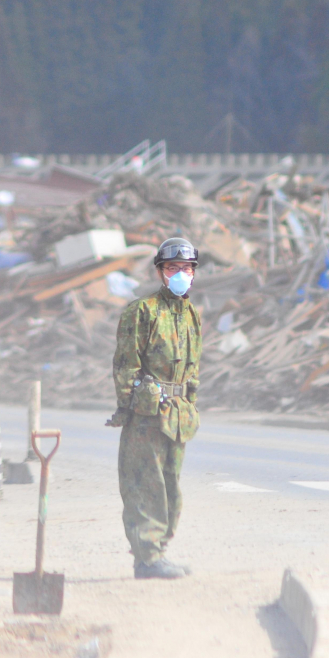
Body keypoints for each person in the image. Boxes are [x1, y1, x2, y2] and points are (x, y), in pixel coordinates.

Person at [110, 237, 202, 579]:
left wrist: (190, 405)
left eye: (186, 268)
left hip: (177, 415)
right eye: (173, 268)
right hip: (147, 415)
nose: (180, 274)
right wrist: (130, 405)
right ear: (161, 272)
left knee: (170, 487)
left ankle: (159, 552)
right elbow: (125, 365)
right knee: (145, 486)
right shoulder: (142, 311)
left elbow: (193, 369)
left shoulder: (190, 315)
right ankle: (147, 558)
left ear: (193, 273)